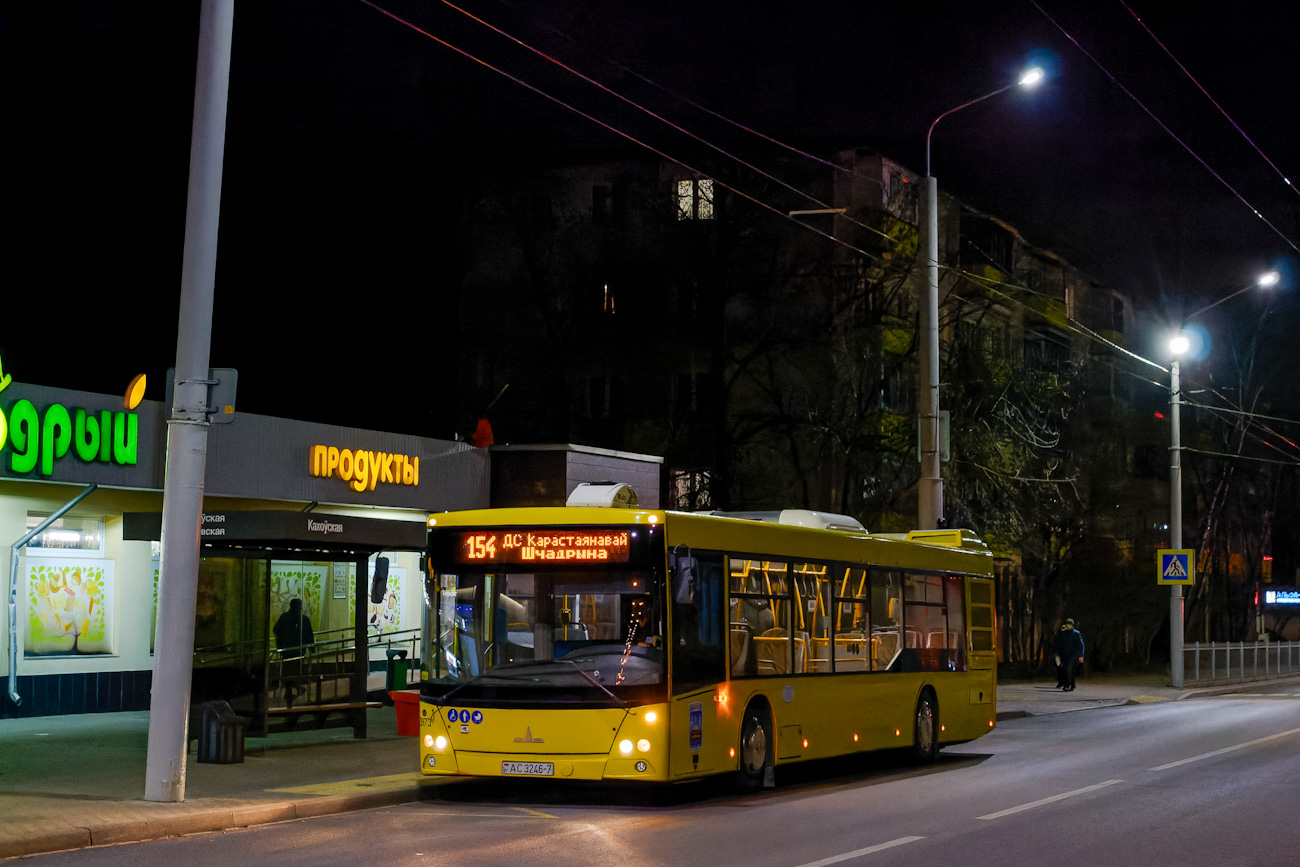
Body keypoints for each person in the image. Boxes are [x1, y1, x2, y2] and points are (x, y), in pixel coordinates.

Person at [273, 599, 315, 706]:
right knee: (296, 668)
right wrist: (311, 649)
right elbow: (309, 634)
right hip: (298, 649)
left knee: (288, 668)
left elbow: (276, 630)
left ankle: (290, 688)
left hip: (286, 649)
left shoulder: (284, 617)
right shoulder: (303, 619)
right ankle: (293, 686)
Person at [1052, 618, 1085, 691]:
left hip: (1073, 655)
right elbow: (1057, 642)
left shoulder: (1076, 633)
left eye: (1069, 624)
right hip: (1063, 654)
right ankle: (1072, 684)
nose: (1068, 626)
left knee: (1067, 668)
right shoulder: (1062, 632)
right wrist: (1057, 653)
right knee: (1066, 669)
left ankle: (1066, 685)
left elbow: (1081, 645)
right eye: (1067, 624)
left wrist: (1081, 655)